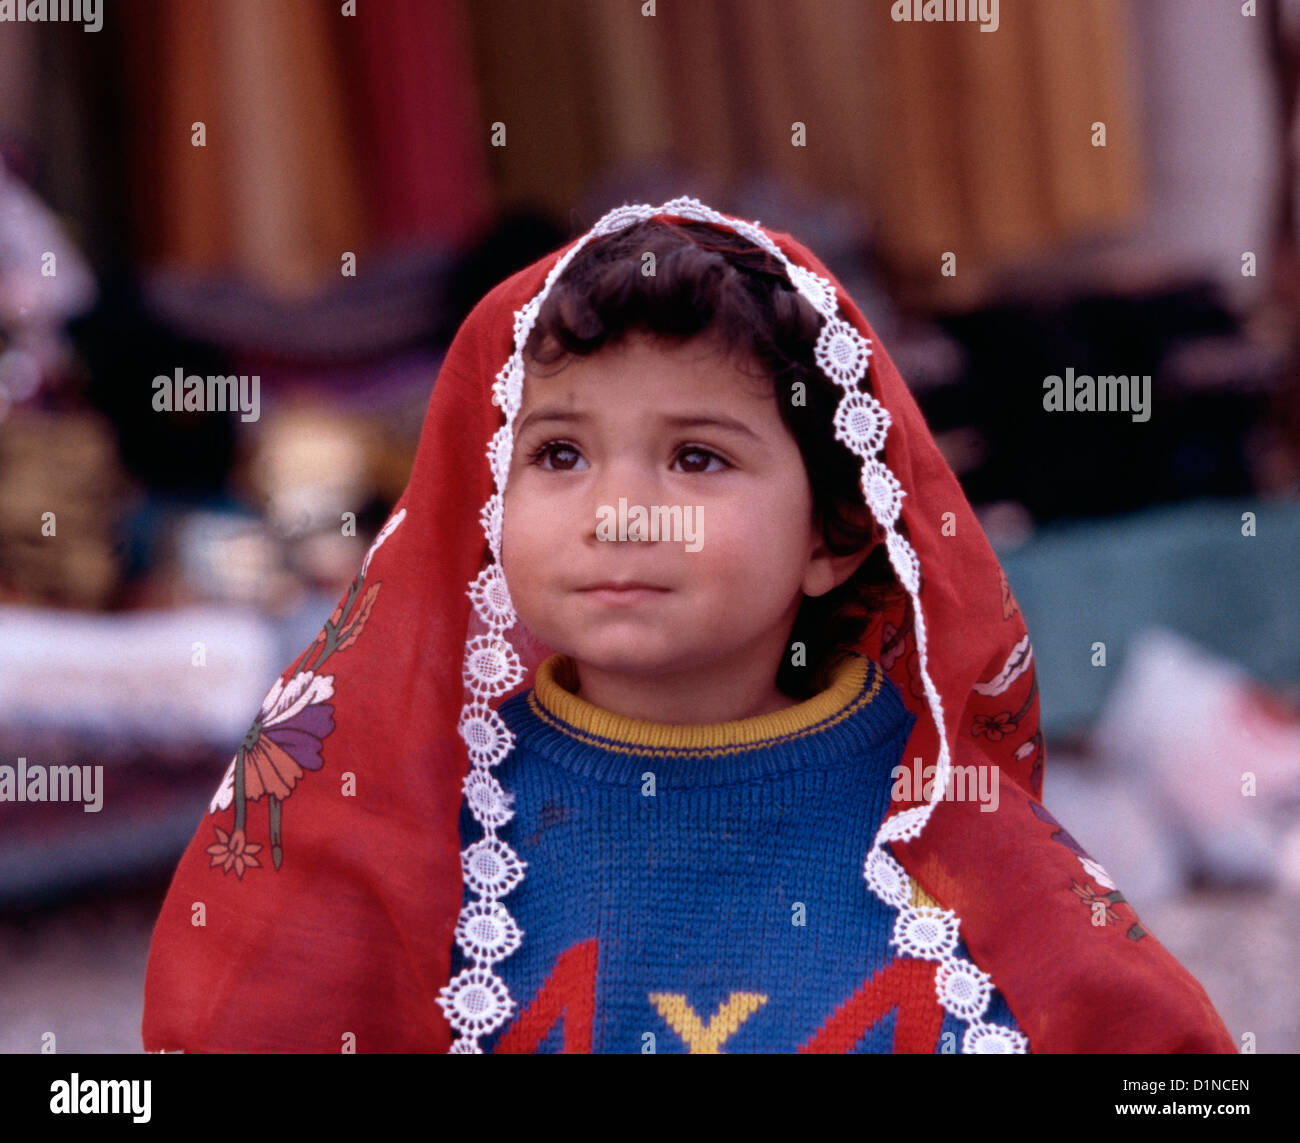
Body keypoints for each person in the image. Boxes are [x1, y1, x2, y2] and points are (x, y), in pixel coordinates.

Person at [142, 196, 1236, 1054]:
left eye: (697, 458)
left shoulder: (947, 829)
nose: (617, 514)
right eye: (558, 455)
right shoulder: (404, 831)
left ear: (838, 530)